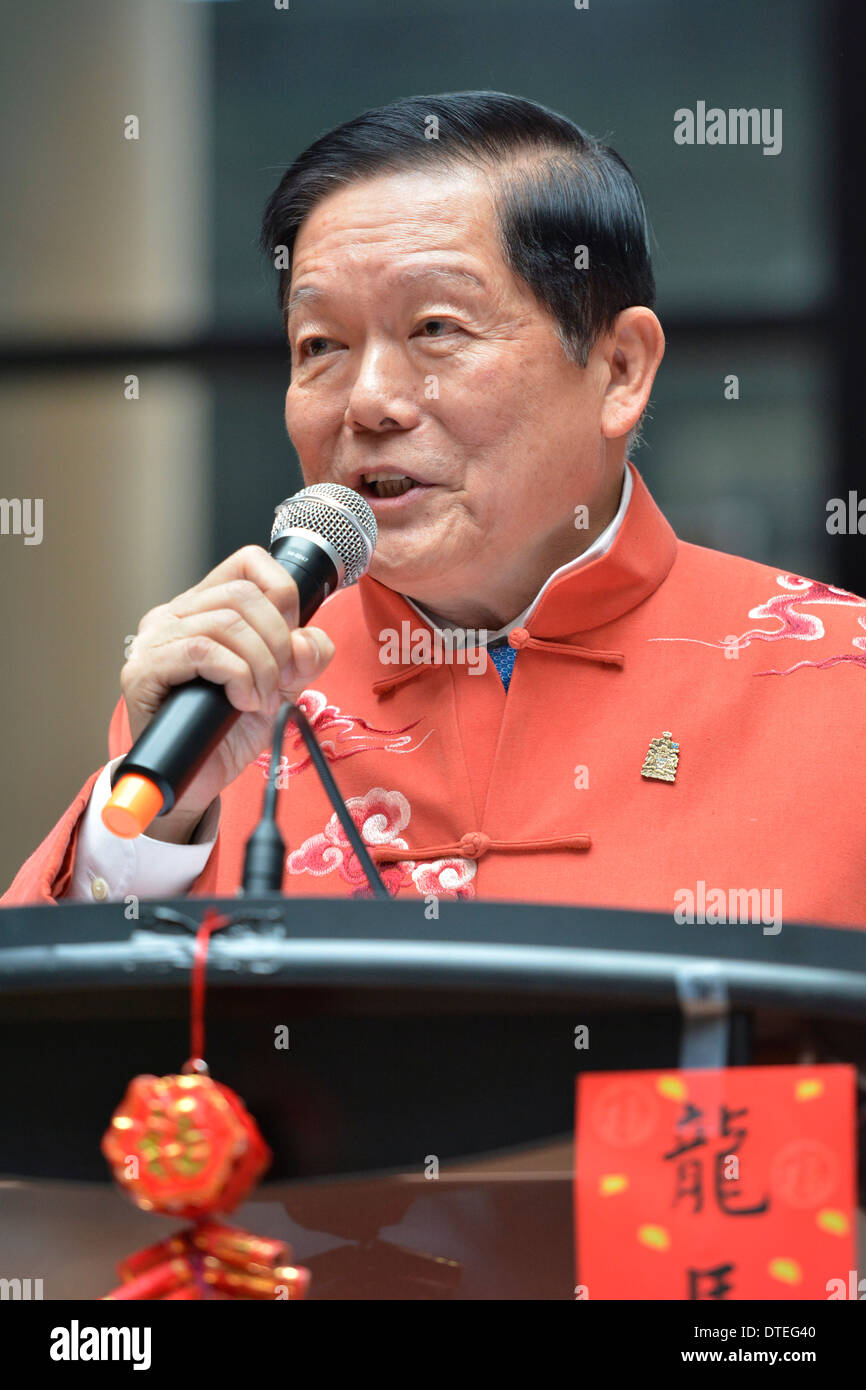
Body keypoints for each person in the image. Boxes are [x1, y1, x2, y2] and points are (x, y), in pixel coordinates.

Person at [4, 91, 865, 927]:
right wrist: (154, 832)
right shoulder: (223, 701)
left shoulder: (835, 679)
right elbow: (68, 1043)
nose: (371, 400)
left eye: (436, 329)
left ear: (620, 370)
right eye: (322, 346)